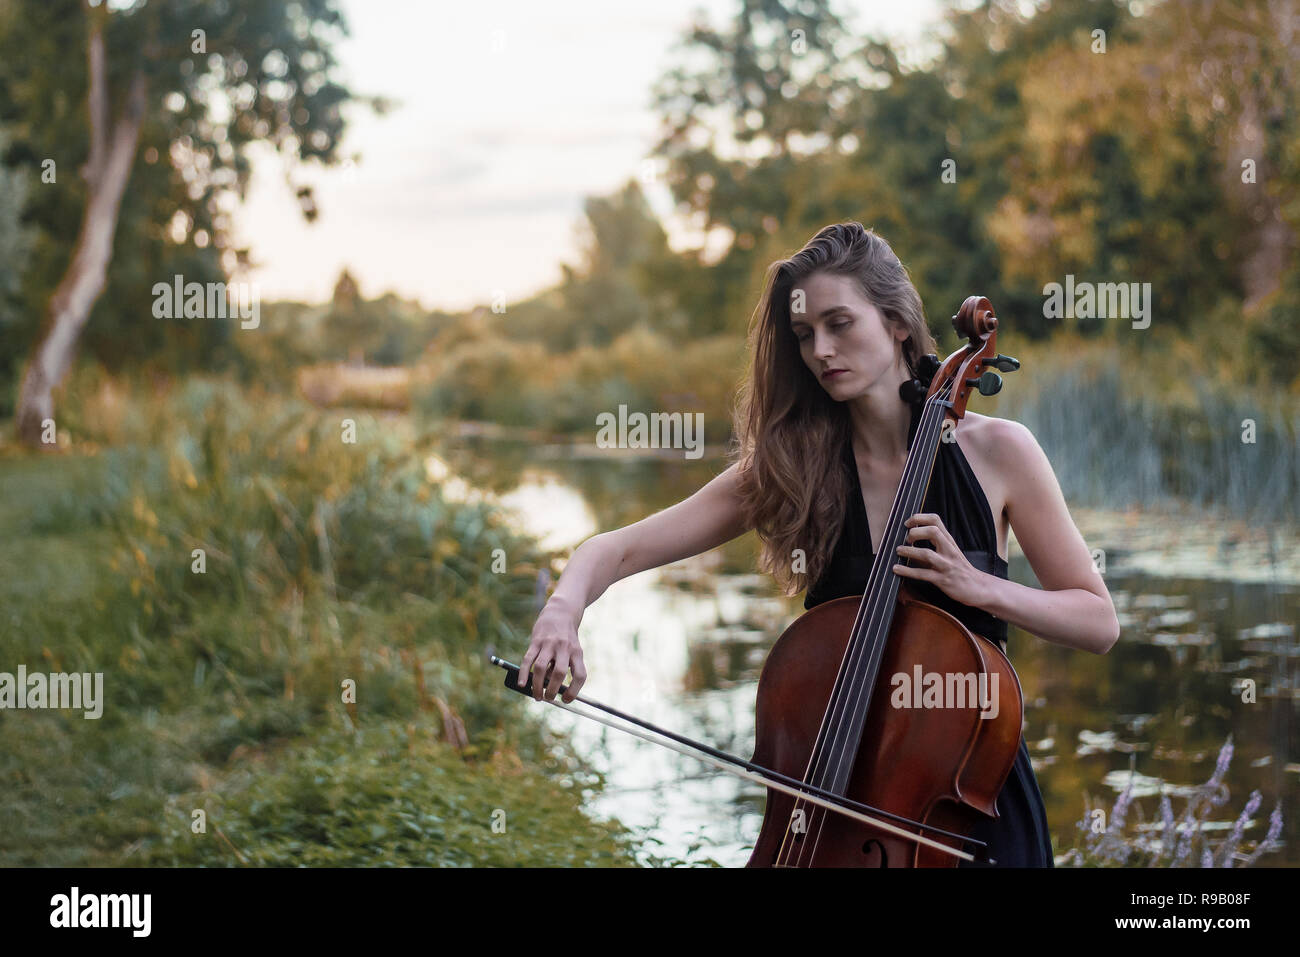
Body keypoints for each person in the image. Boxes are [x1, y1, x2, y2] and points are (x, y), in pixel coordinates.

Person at [516, 221, 1120, 867]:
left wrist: (982, 587)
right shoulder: (792, 465)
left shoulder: (1000, 452)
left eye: (839, 324)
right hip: (821, 820)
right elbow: (618, 549)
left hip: (968, 818)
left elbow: (1097, 620)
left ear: (895, 321)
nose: (821, 350)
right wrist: (562, 608)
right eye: (805, 335)